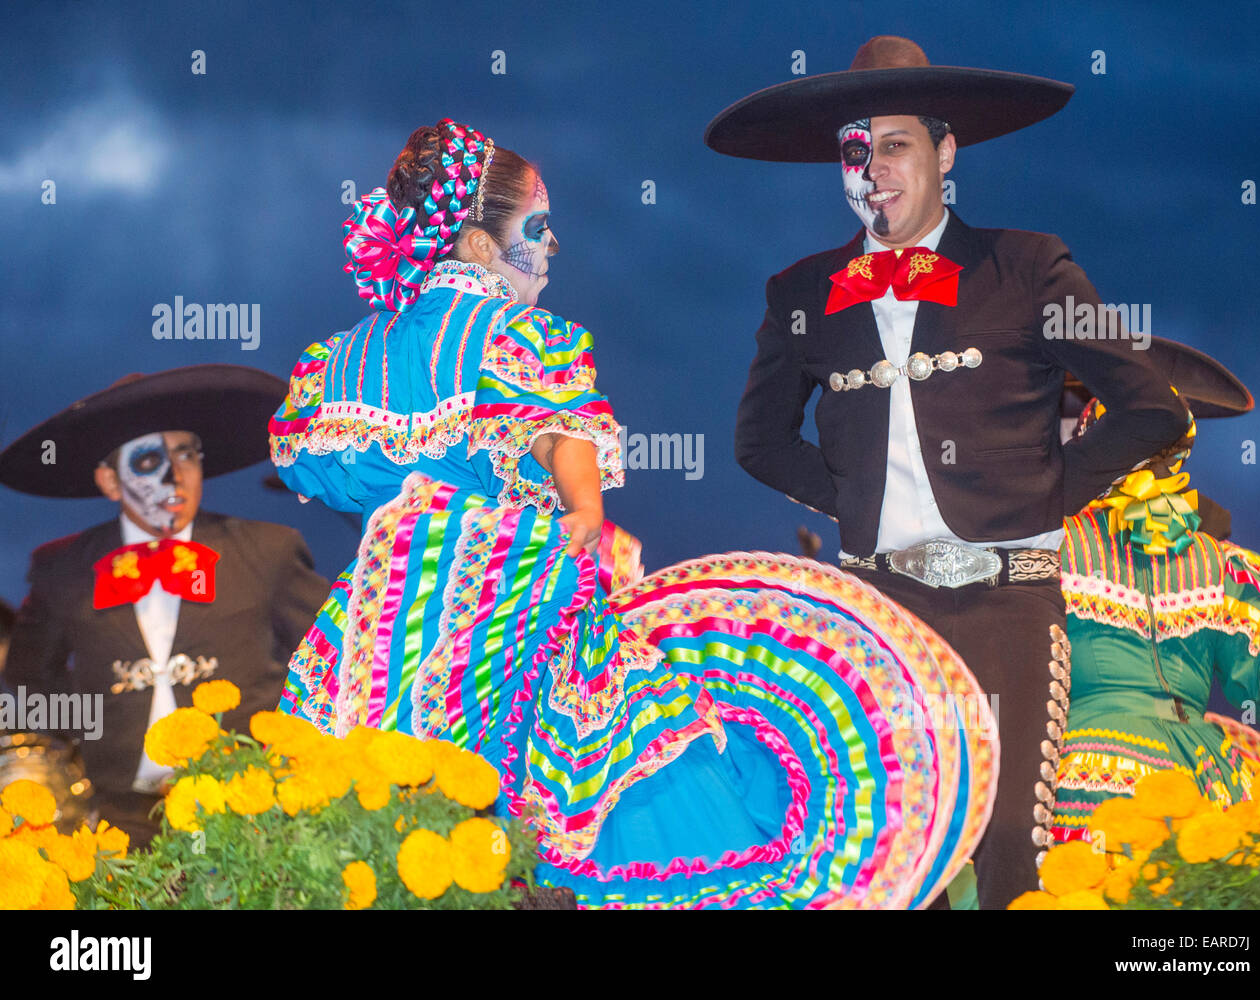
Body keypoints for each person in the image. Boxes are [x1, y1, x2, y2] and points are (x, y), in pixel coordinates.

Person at [271, 119, 998, 909]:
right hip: (496, 581)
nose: (552, 249)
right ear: (479, 247)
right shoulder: (514, 333)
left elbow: (329, 471)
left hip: (385, 607)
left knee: (380, 798)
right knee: (575, 759)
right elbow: (557, 432)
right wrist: (584, 508)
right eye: (538, 230)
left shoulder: (352, 354)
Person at [708, 36, 1189, 908]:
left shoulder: (1029, 265)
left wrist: (1045, 491)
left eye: (895, 144)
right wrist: (861, 503)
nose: (874, 168)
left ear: (944, 151)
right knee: (882, 846)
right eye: (855, 150)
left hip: (1006, 599)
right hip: (877, 607)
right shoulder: (801, 291)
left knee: (1010, 843)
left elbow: (1156, 408)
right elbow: (758, 443)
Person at [0, 366, 330, 846]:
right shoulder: (63, 569)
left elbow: (328, 663)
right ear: (110, 481)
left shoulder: (268, 550)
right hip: (121, 822)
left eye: (186, 454)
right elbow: (30, 676)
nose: (174, 476)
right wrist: (98, 714)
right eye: (149, 459)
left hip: (255, 811)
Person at [1048, 366, 1260, 846]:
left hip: (1194, 778)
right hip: (1102, 774)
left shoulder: (1217, 565)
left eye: (1164, 452)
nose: (1155, 464)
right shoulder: (1056, 546)